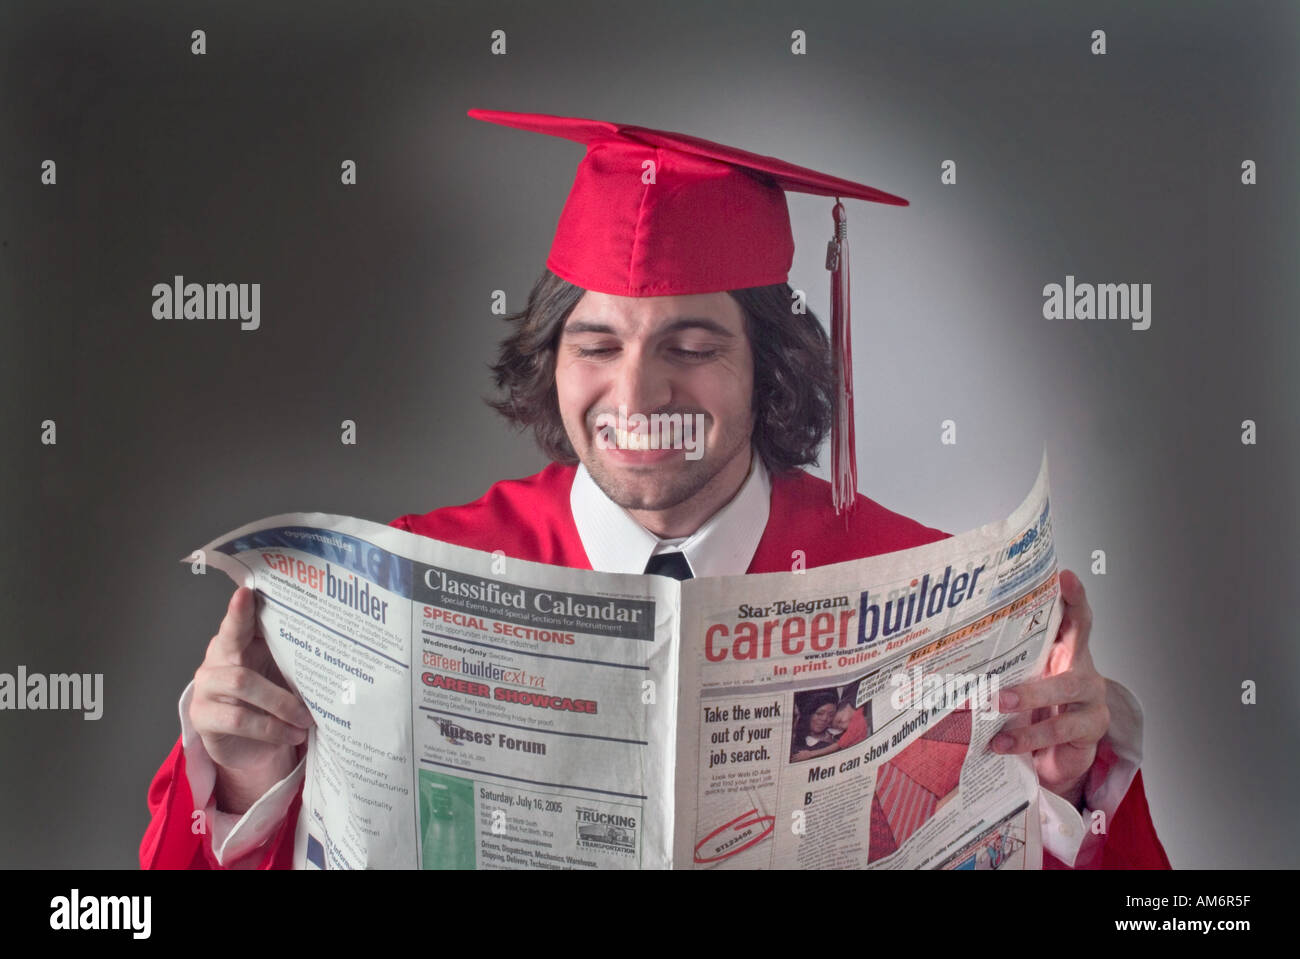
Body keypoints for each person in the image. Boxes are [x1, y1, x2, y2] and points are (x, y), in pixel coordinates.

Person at [140, 109, 1170, 870]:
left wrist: (1075, 787)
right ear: (551, 361)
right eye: (596, 342)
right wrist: (235, 782)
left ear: (768, 366)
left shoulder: (927, 585)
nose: (634, 391)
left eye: (691, 343)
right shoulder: (413, 575)